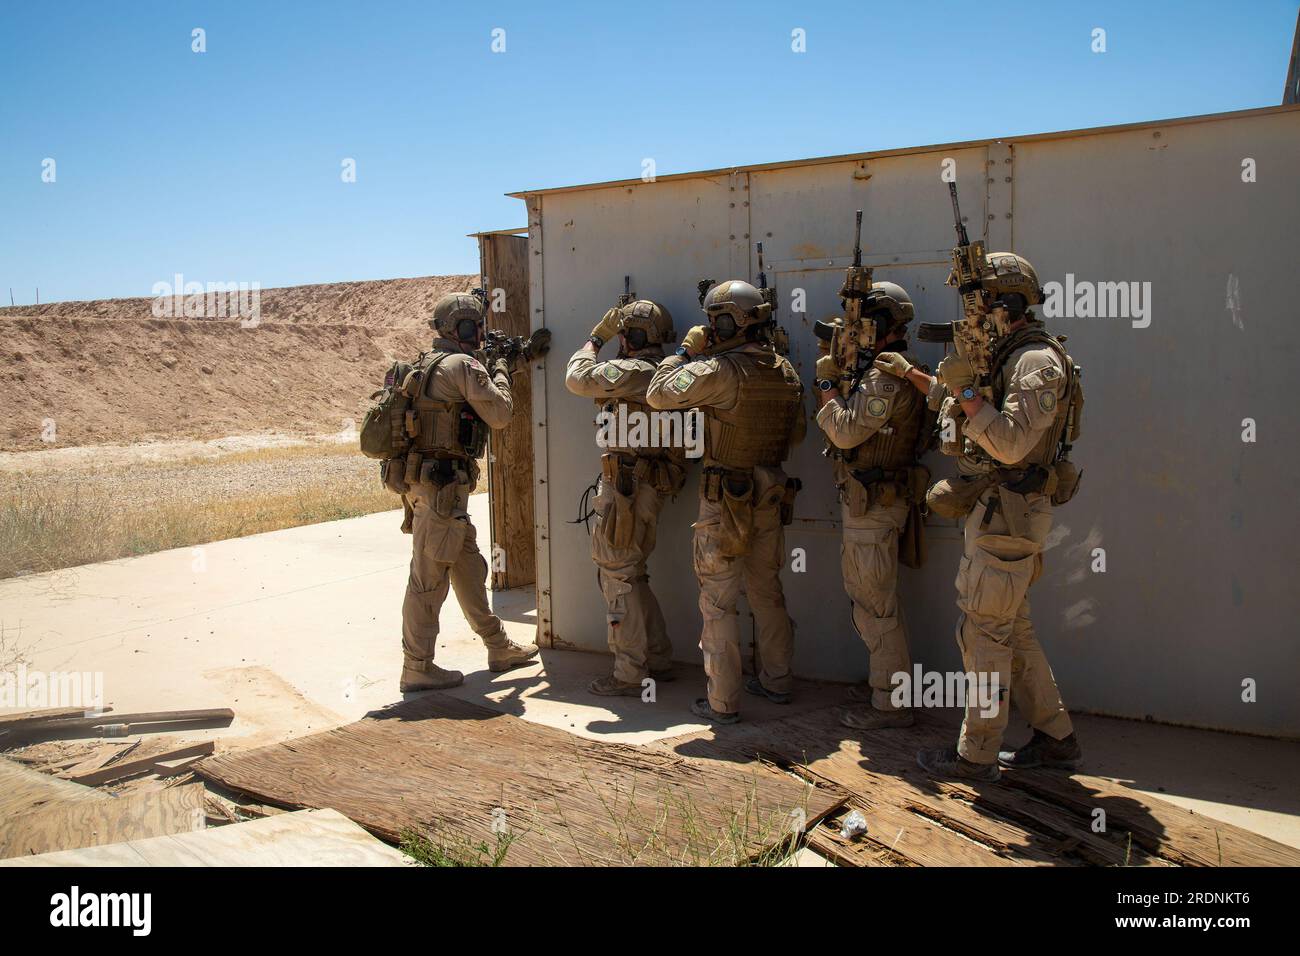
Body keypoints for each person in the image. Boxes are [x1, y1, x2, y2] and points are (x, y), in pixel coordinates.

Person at [874, 252, 1083, 781]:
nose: (971, 316)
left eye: (980, 304)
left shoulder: (1036, 360)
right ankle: (1056, 737)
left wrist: (966, 390)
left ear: (1005, 304)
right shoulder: (1005, 355)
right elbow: (961, 401)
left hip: (1009, 512)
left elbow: (1010, 443)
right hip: (999, 513)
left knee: (984, 636)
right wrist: (926, 379)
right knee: (1012, 631)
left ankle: (978, 754)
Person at [647, 280, 804, 724]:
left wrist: (685, 350)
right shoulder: (786, 370)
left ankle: (723, 701)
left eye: (715, 319)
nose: (711, 328)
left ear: (733, 321)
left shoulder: (721, 370)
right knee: (767, 592)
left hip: (726, 500)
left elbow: (659, 393)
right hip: (769, 494)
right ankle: (777, 681)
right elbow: (798, 435)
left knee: (718, 602)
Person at [395, 292, 539, 692]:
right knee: (428, 580)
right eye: (475, 326)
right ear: (461, 328)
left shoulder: (429, 363)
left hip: (437, 488)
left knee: (469, 569)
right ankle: (417, 666)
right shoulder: (463, 365)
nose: (479, 332)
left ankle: (498, 646)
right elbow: (500, 413)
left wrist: (511, 361)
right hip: (441, 489)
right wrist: (502, 370)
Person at [813, 282, 928, 730]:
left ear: (880, 325)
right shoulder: (898, 369)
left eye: (863, 323)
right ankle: (888, 688)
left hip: (874, 505)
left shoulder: (885, 377)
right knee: (874, 601)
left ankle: (891, 703)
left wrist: (825, 386)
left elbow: (844, 432)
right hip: (877, 499)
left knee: (874, 605)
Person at [565, 298, 685, 696]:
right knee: (633, 576)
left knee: (616, 576)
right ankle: (660, 657)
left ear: (633, 336)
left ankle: (630, 674)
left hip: (626, 491)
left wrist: (595, 339)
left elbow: (577, 378)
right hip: (643, 488)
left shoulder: (636, 371)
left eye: (623, 333)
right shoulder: (665, 371)